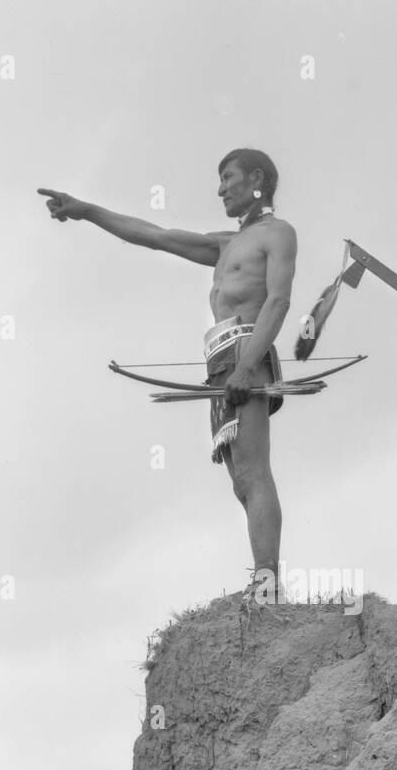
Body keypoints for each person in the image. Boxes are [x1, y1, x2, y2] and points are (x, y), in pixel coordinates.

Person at [38, 149, 296, 590]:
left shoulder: (278, 234)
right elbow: (153, 235)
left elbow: (278, 301)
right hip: (222, 362)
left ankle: (268, 580)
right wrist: (88, 211)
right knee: (241, 483)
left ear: (257, 178)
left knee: (254, 474)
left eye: (228, 178)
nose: (220, 189)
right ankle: (264, 576)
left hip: (246, 356)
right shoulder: (224, 244)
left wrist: (247, 365)